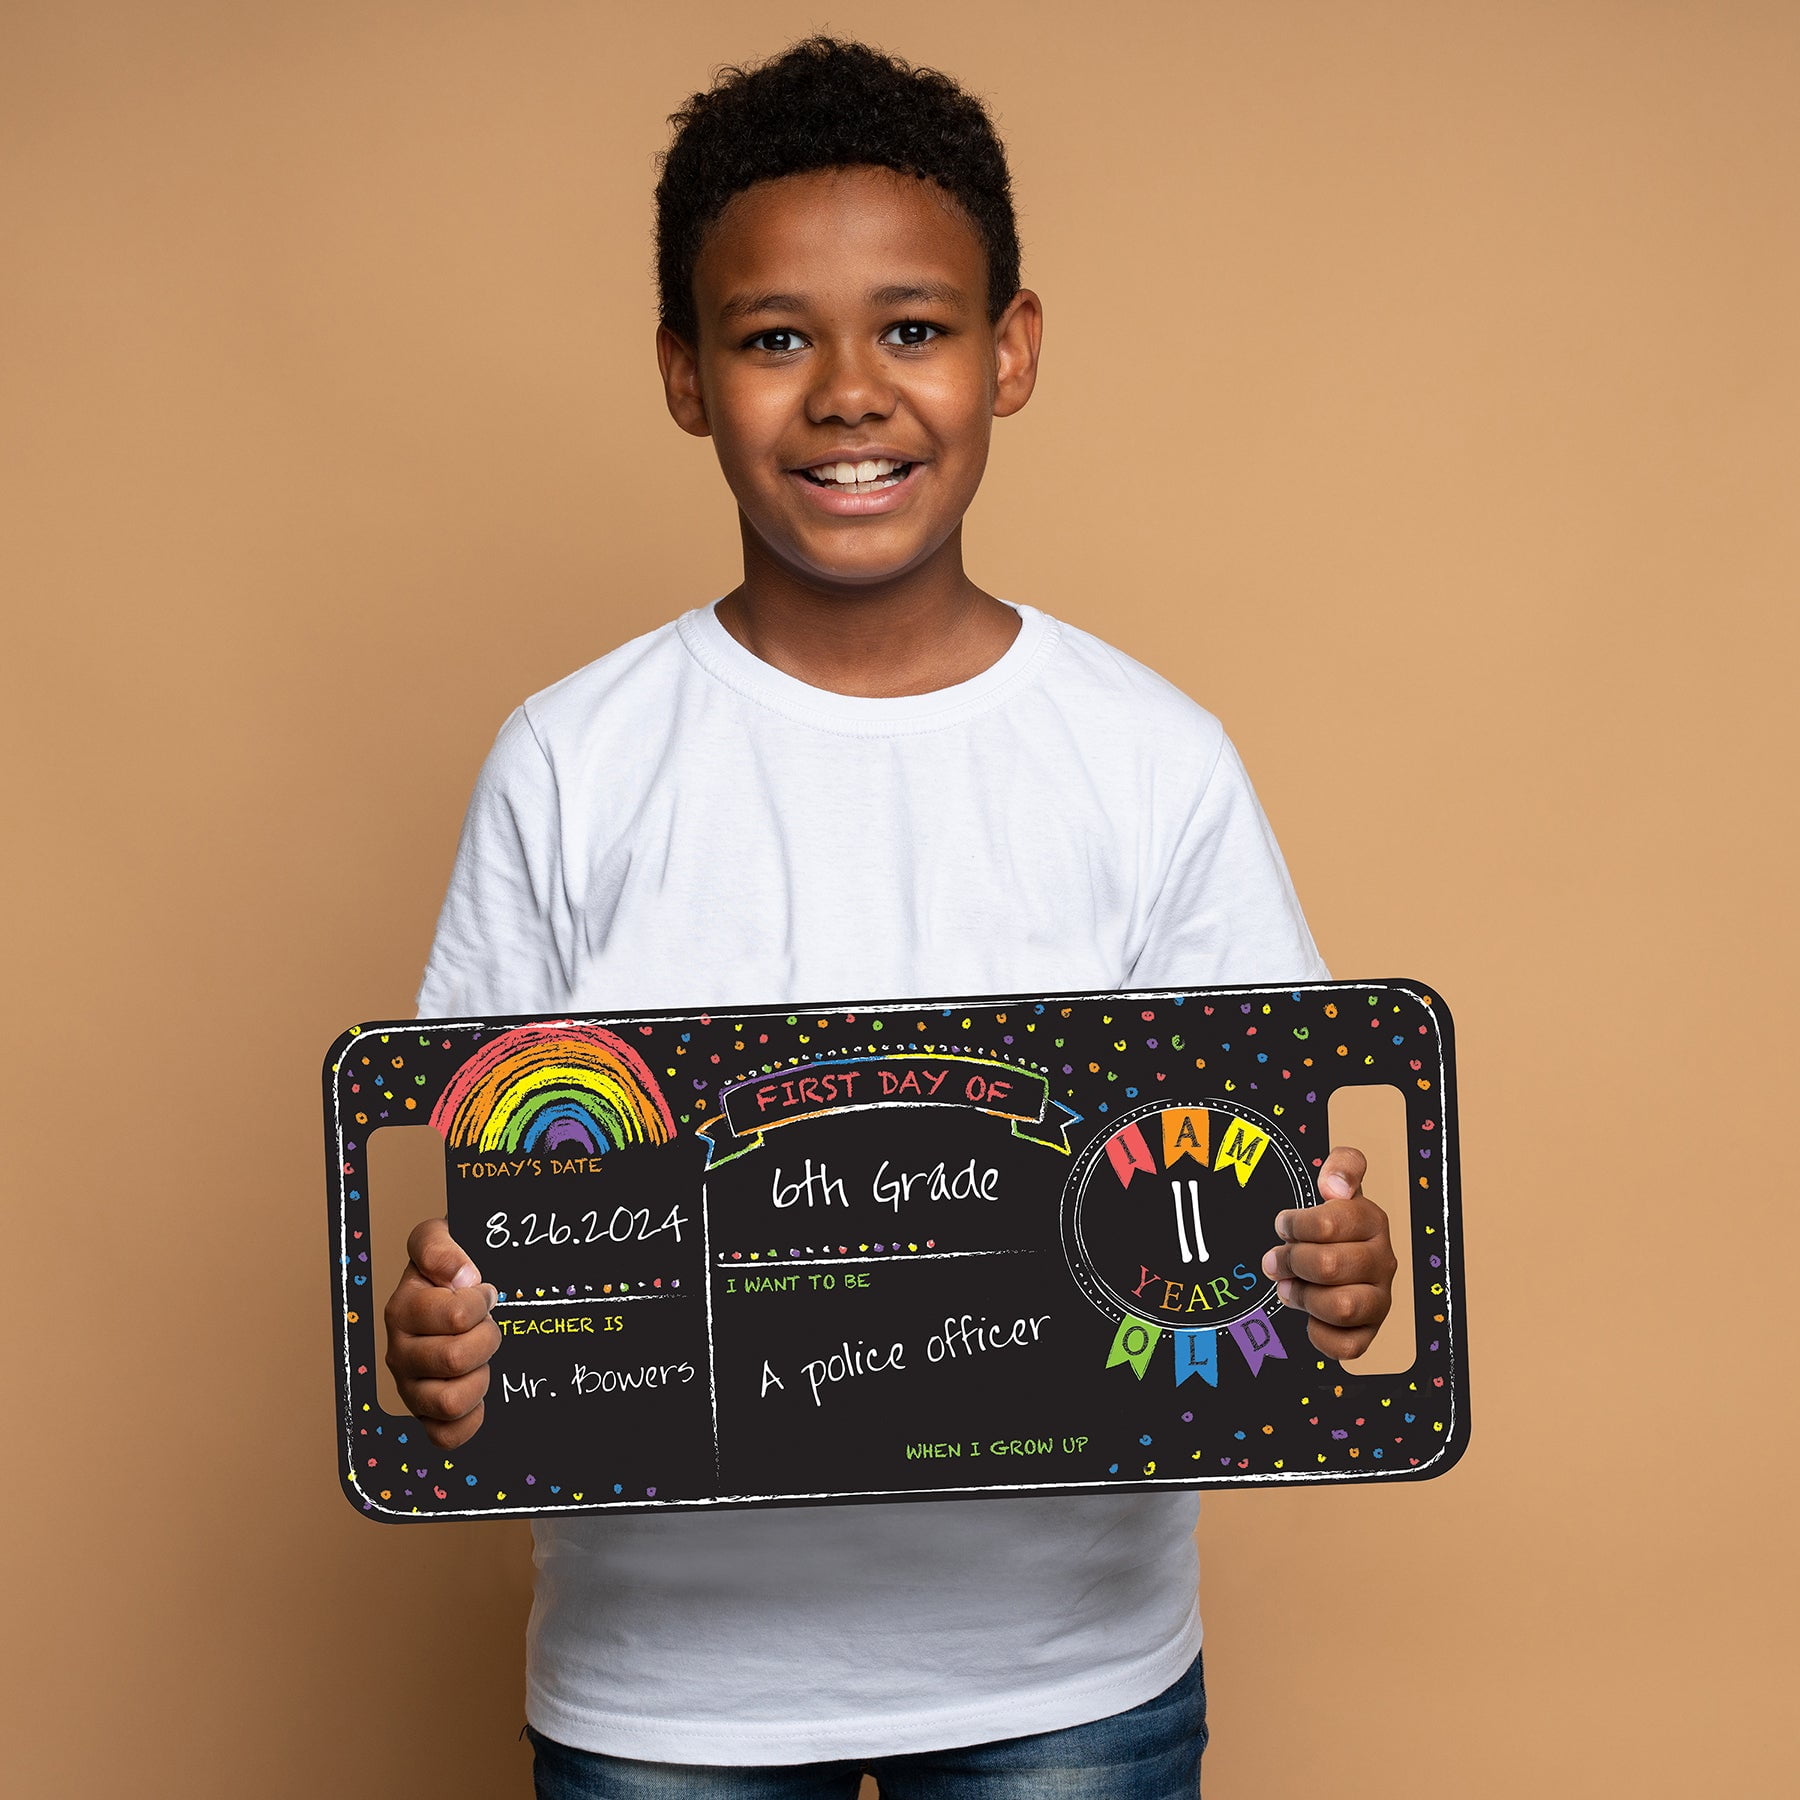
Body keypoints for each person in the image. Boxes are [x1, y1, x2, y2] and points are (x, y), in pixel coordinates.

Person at [383, 36, 1396, 1798]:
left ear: (1012, 353)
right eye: (776, 336)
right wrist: (448, 1337)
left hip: (1068, 1671)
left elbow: (1275, 1225)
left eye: (914, 328)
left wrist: (1328, 1279)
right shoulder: (570, 763)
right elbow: (487, 1208)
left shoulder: (1150, 760)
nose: (850, 390)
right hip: (665, 1691)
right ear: (687, 375)